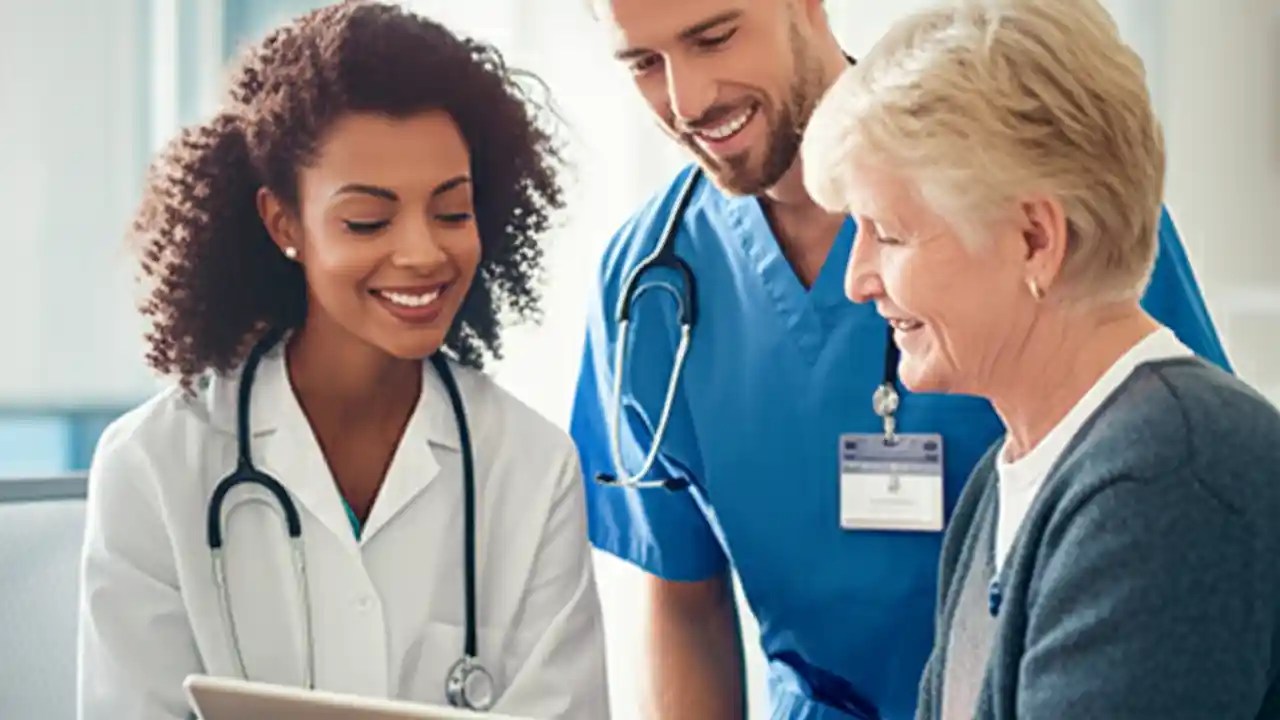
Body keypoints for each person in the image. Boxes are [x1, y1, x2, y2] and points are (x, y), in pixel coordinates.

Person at [570, 0, 1233, 718]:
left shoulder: (1036, 187)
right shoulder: (650, 285)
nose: (686, 100)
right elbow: (682, 595)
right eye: (644, 63)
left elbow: (1183, 488)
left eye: (715, 37)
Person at [76, 2, 609, 717]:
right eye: (368, 221)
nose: (422, 253)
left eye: (452, 212)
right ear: (283, 222)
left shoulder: (532, 466)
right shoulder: (153, 466)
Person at [799, 0, 1280, 717]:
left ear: (1035, 239)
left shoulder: (1169, 477)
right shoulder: (1013, 480)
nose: (857, 280)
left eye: (889, 236)